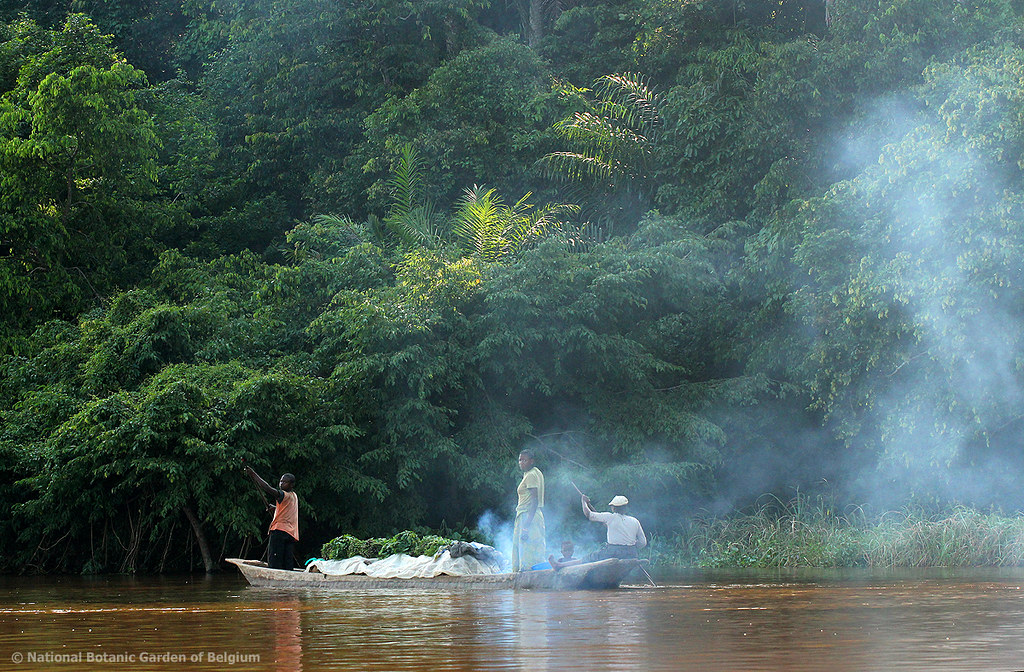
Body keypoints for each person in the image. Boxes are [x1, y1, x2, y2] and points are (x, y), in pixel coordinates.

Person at [244, 465, 299, 570]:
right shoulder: (294, 496)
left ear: (291, 484)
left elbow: (267, 488)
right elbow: (287, 510)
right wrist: (274, 508)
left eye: (284, 482)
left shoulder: (283, 495)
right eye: (281, 481)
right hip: (290, 533)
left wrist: (253, 474)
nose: (281, 484)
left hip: (280, 532)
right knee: (287, 563)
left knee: (275, 562)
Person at [581, 494, 646, 560]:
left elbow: (588, 514)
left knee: (589, 558)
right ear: (625, 508)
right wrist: (631, 547)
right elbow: (643, 542)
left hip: (613, 553)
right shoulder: (635, 521)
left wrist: (584, 501)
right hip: (632, 554)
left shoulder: (609, 517)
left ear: (614, 508)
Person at [512, 449, 545, 571]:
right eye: (520, 460)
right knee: (533, 549)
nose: (521, 462)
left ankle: (526, 580)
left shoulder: (531, 475)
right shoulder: (536, 473)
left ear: (532, 461)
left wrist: (526, 526)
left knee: (527, 550)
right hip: (532, 516)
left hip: (528, 516)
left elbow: (534, 500)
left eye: (524, 460)